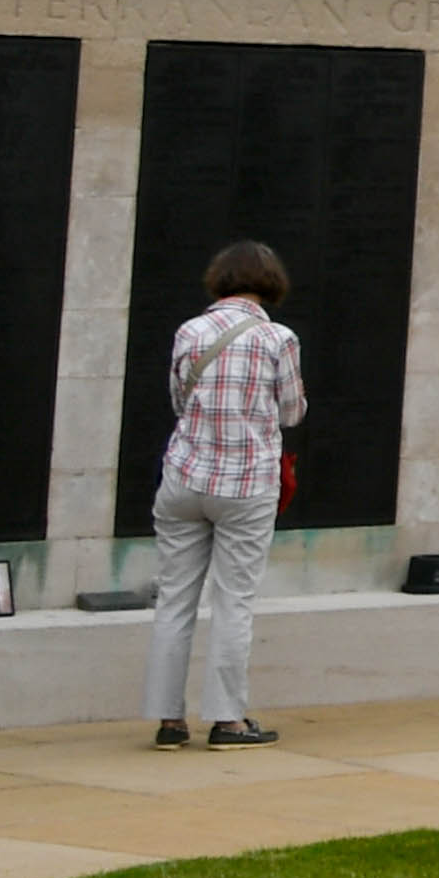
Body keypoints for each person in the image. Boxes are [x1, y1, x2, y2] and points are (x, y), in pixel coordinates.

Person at [145, 240, 304, 750]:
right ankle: (228, 722)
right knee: (234, 603)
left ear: (219, 279)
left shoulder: (189, 331)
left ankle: (169, 723)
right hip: (246, 484)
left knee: (174, 602)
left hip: (184, 478)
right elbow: (292, 412)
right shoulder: (278, 338)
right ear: (271, 283)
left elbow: (177, 399)